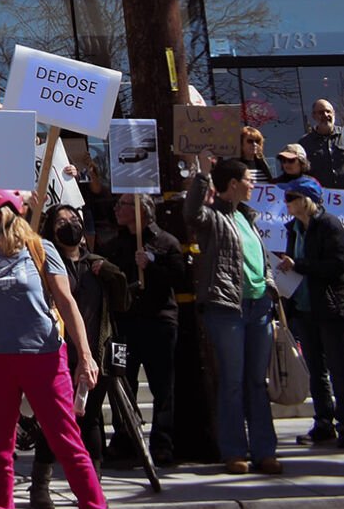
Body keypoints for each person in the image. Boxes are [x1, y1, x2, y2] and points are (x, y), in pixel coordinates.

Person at [0, 190, 122, 509]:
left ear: (6, 213)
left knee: (67, 442)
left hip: (43, 357)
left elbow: (66, 302)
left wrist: (86, 356)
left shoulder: (41, 250)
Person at [183, 155, 279, 476]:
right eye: (249, 180)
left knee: (256, 382)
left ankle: (265, 451)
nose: (254, 184)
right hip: (227, 309)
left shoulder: (248, 217)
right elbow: (192, 212)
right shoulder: (213, 218)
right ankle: (235, 450)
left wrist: (268, 283)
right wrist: (203, 176)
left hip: (259, 307)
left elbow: (260, 259)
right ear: (234, 184)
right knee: (233, 382)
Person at [32, 205, 128, 507]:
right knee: (54, 421)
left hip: (93, 353)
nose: (69, 225)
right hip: (58, 352)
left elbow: (123, 303)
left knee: (91, 420)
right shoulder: (46, 264)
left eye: (74, 220)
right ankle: (40, 486)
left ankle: (93, 487)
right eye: (61, 222)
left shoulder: (97, 264)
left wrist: (114, 276)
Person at [98, 197, 185, 467]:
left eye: (123, 203)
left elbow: (178, 278)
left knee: (162, 386)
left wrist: (152, 266)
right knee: (124, 384)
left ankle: (162, 443)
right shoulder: (114, 246)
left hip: (159, 323)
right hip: (125, 327)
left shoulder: (167, 242)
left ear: (141, 211)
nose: (117, 208)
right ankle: (126, 439)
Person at [274, 177, 344, 445]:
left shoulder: (329, 225)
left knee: (338, 368)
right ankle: (323, 422)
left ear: (306, 200)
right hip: (303, 308)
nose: (286, 204)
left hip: (329, 307)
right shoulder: (293, 229)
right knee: (316, 369)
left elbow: (337, 265)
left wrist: (299, 265)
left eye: (290, 198)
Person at [299, 99, 343, 189]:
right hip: (321, 199)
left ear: (334, 113)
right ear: (314, 116)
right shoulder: (304, 144)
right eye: (321, 113)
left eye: (328, 111)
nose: (325, 115)